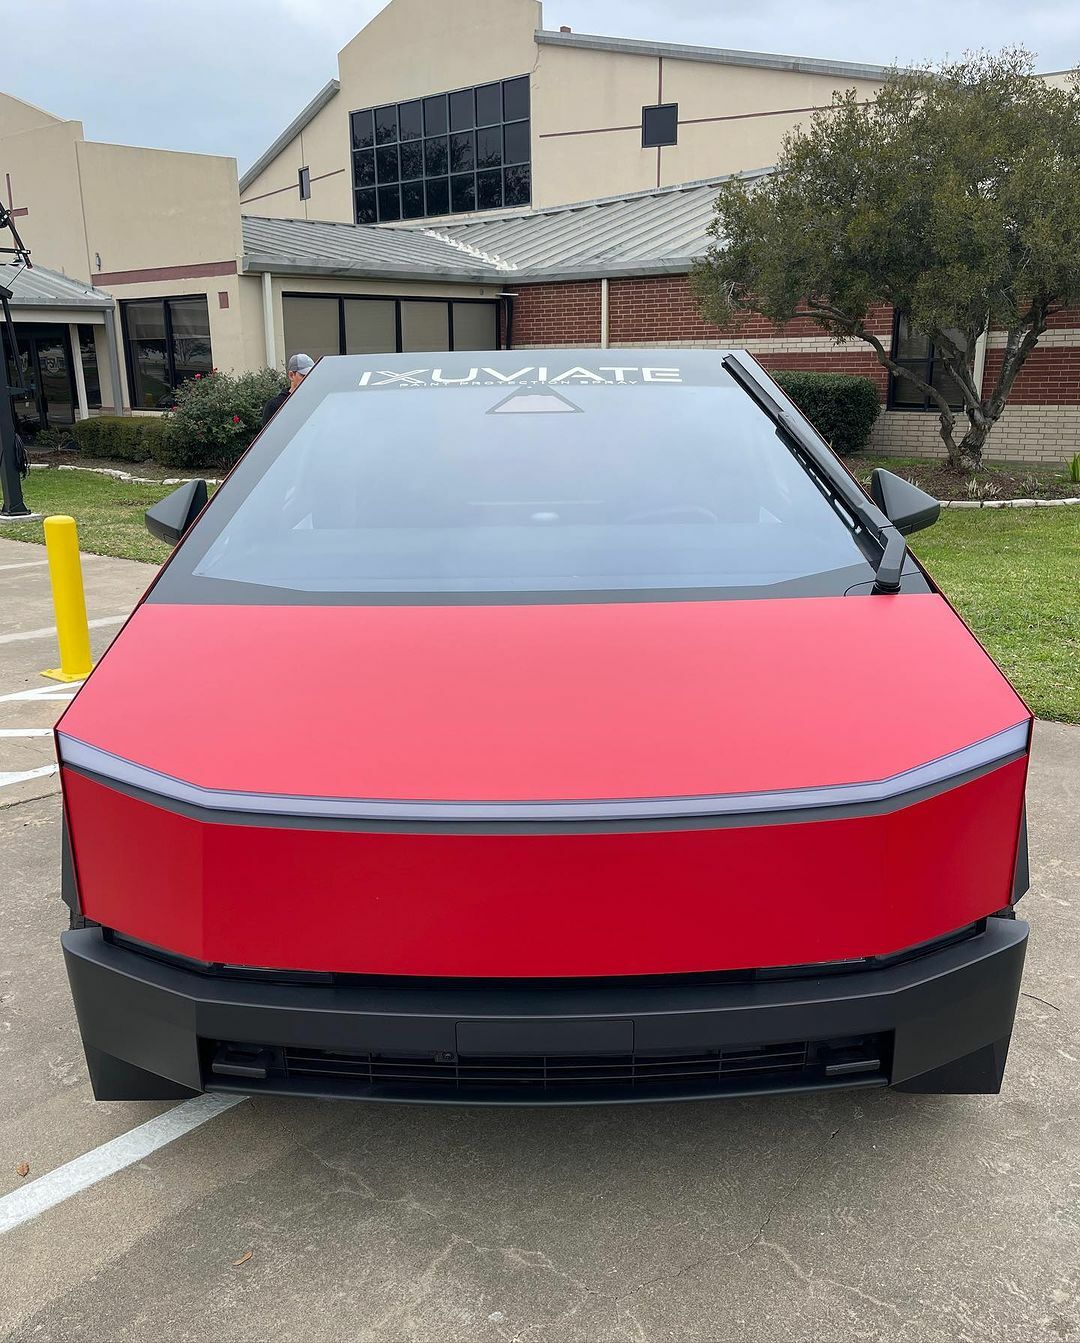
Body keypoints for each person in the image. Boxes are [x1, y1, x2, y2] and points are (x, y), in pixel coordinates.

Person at [262, 353, 315, 425]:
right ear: (291, 375)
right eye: (303, 376)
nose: (308, 379)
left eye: (311, 375)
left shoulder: (314, 402)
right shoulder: (275, 406)